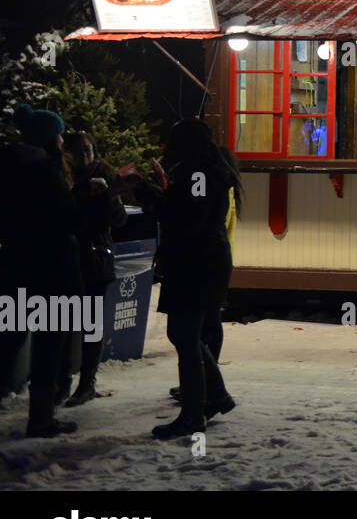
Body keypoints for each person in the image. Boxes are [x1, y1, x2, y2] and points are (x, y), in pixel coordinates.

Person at [131, 119, 238, 439]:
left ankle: (194, 413)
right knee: (189, 335)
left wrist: (147, 192)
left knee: (184, 335)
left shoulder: (199, 175)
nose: (170, 147)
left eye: (175, 141)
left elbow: (185, 214)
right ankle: (213, 396)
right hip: (205, 260)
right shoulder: (206, 173)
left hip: (196, 262)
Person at [0, 105, 81, 437]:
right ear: (50, 139)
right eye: (60, 134)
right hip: (51, 271)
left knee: (10, 343)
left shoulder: (10, 168)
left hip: (16, 268)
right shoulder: (45, 172)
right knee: (48, 346)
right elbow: (66, 220)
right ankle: (42, 418)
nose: (63, 140)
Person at [63, 131, 128, 407]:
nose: (84, 156)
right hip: (67, 259)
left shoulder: (104, 178)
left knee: (90, 324)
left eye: (88, 150)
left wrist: (109, 197)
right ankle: (61, 382)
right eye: (78, 151)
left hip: (95, 259)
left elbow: (120, 220)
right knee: (63, 323)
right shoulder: (62, 177)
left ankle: (87, 382)